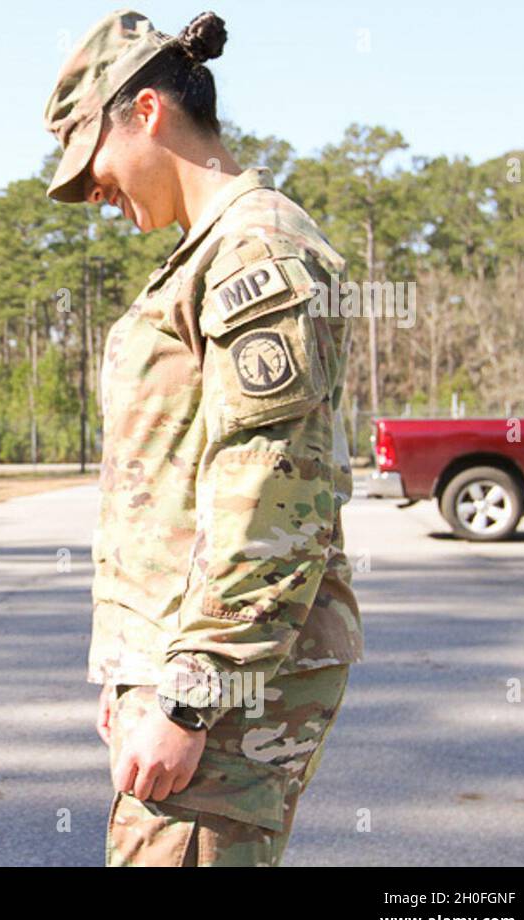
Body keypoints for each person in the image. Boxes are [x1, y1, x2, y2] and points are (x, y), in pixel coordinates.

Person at [43, 10, 364, 865]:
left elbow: (269, 496)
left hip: (226, 689)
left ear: (145, 112)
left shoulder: (257, 251)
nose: (96, 194)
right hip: (189, 667)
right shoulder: (207, 254)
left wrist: (188, 697)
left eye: (93, 167)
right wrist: (130, 666)